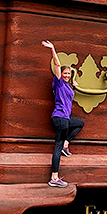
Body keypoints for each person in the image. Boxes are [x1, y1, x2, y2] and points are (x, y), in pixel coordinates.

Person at [42, 40, 84, 187]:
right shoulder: (59, 82)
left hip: (65, 118)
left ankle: (66, 144)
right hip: (59, 117)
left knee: (79, 123)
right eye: (65, 73)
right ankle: (54, 178)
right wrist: (53, 49)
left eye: (69, 74)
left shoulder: (67, 85)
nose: (66, 75)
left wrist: (74, 86)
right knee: (57, 147)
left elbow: (69, 94)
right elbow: (57, 65)